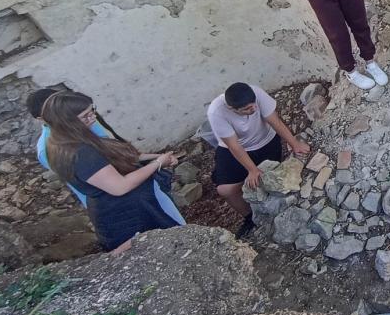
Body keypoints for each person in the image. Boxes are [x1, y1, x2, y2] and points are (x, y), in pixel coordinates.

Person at [42, 91, 183, 253]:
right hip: (126, 215)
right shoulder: (81, 154)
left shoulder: (66, 140)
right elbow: (120, 187)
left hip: (132, 205)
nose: (93, 117)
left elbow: (118, 156)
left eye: (92, 110)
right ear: (67, 123)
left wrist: (156, 157)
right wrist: (158, 163)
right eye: (85, 116)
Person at [207, 82, 310, 235]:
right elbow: (234, 146)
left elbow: (275, 121)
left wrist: (294, 143)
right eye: (247, 109)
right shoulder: (216, 112)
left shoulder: (256, 93)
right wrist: (252, 170)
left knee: (268, 177)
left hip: (265, 141)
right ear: (232, 109)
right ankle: (250, 218)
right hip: (234, 148)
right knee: (226, 190)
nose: (254, 109)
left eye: (253, 104)